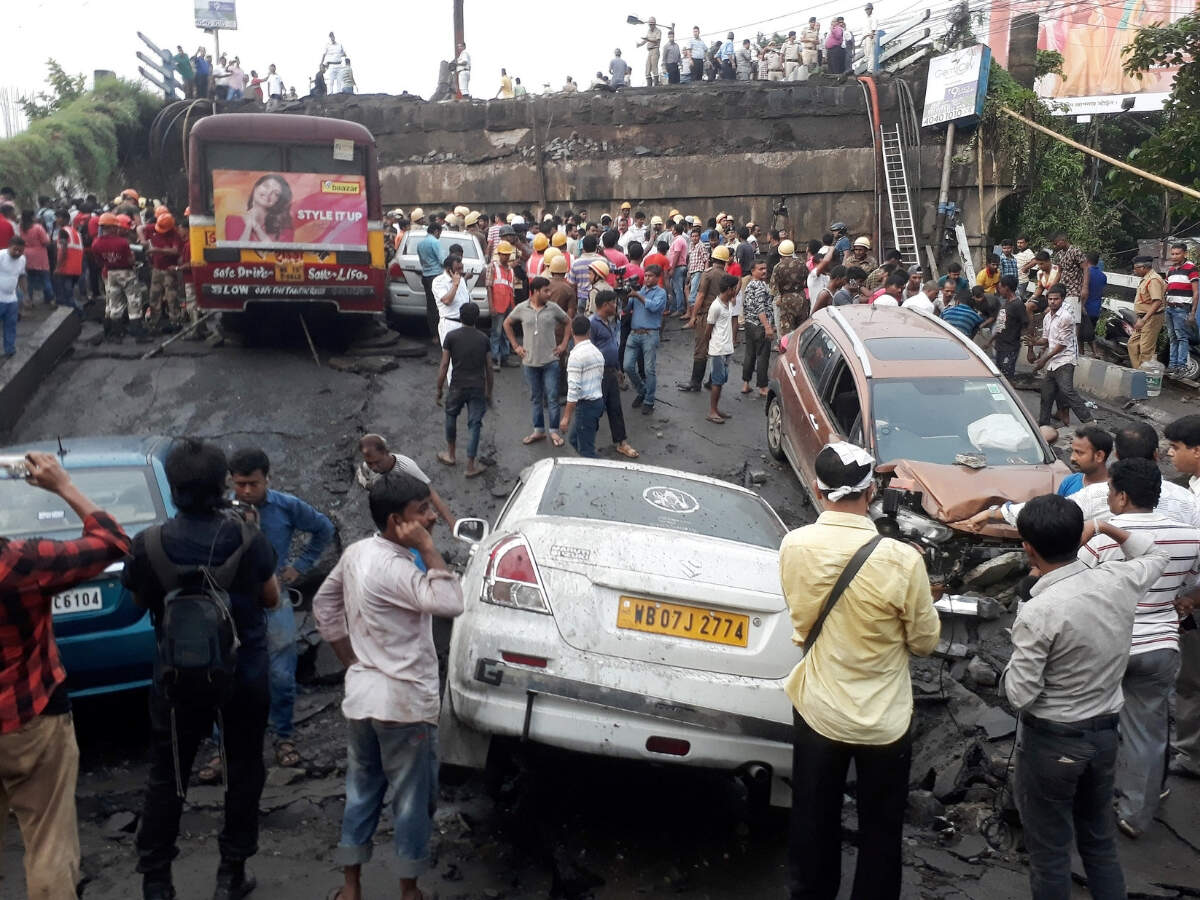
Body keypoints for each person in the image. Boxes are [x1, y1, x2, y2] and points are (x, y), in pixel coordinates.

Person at [781, 441, 940, 899]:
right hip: (884, 722)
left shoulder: (794, 545)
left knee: (813, 818)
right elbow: (925, 642)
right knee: (881, 830)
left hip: (819, 710)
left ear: (818, 488)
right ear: (871, 492)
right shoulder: (902, 560)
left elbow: (801, 614)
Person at [125, 439, 280, 900]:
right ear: (221, 485)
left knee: (167, 774)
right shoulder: (248, 538)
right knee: (245, 769)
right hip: (244, 673)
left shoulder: (149, 543)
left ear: (172, 490)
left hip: (176, 680)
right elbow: (271, 598)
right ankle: (230, 875)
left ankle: (157, 882)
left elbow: (139, 602)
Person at [1003, 494, 1172, 900]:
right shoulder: (1118, 578)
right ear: (1077, 538)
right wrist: (1106, 527)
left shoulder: (1038, 610)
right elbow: (1155, 556)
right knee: (1098, 841)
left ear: (1028, 546)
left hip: (1052, 742)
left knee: (1050, 852)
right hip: (1104, 736)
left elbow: (1020, 695)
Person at [313, 472, 464, 900]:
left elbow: (324, 605)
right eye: (424, 512)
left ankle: (350, 888)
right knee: (413, 801)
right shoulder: (399, 569)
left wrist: (351, 661)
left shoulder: (358, 553)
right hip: (405, 708)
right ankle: (409, 891)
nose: (433, 517)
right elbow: (452, 603)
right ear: (398, 520)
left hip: (362, 700)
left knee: (360, 793)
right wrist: (429, 550)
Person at [0, 452, 132, 900]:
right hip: (31, 719)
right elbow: (114, 541)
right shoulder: (21, 563)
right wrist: (63, 486)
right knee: (49, 845)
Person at [1076, 458, 1199, 838]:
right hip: (1160, 646)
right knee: (1147, 732)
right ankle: (1135, 813)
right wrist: (1187, 600)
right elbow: (1193, 584)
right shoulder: (1191, 537)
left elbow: (1075, 585)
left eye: (1111, 491)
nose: (1109, 497)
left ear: (1122, 496)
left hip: (1106, 643)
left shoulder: (1101, 537)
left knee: (1088, 723)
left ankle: (1084, 800)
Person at [227, 447, 334, 772]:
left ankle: (283, 737)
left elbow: (323, 529)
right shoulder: (221, 512)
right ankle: (224, 748)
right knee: (229, 676)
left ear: (267, 479)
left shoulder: (286, 507)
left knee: (282, 676)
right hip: (230, 604)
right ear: (231, 481)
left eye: (253, 484)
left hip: (275, 602)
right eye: (240, 484)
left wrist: (299, 567)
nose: (246, 491)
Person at [1164, 415, 1200, 784]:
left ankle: (1192, 754)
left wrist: (1191, 597)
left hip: (1195, 601)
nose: (1170, 455)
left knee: (1191, 682)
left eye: (1175, 449)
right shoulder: (1191, 485)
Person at [505, 276, 571, 447]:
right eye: (546, 291)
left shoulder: (553, 308)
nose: (549, 293)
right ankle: (539, 430)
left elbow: (568, 322)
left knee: (552, 397)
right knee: (535, 398)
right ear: (535, 292)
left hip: (550, 362)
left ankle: (554, 431)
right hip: (529, 362)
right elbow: (507, 323)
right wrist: (516, 346)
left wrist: (563, 344)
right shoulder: (522, 308)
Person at [436, 302, 493, 477]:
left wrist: (439, 388)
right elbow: (489, 368)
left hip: (457, 385)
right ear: (477, 318)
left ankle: (451, 455)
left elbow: (445, 365)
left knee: (451, 416)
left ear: (460, 317)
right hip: (477, 386)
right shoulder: (484, 339)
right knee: (474, 424)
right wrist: (489, 392)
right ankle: (470, 465)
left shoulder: (451, 337)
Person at [355, 434, 455, 526]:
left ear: (387, 452)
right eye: (370, 463)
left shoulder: (406, 466)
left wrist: (452, 524)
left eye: (377, 462)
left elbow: (431, 494)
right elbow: (363, 477)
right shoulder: (367, 467)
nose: (374, 467)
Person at [1032, 285, 1096, 429]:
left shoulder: (1066, 317)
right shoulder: (1047, 317)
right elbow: (1046, 339)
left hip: (1066, 359)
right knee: (1047, 393)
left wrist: (1044, 359)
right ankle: (1043, 425)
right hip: (1054, 361)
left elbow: (1061, 345)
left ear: (1062, 300)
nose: (1052, 302)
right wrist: (1034, 341)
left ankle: (1089, 422)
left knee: (1067, 390)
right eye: (1050, 299)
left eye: (1056, 299)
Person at [680, 245, 729, 392]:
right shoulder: (726, 276)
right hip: (721, 316)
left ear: (712, 258)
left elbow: (700, 296)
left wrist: (693, 316)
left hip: (707, 315)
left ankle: (695, 382)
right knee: (716, 348)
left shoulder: (708, 274)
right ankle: (713, 380)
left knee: (701, 347)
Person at [560, 315, 607, 457]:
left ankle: (596, 472)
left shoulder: (575, 357)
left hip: (586, 406)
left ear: (572, 331)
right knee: (574, 439)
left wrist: (566, 418)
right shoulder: (597, 352)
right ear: (589, 331)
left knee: (587, 451)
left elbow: (574, 391)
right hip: (597, 402)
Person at [624, 264, 666, 415]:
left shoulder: (661, 293)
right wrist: (624, 295)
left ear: (657, 277)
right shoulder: (639, 290)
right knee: (627, 366)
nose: (647, 278)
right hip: (634, 333)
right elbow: (626, 309)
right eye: (645, 275)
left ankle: (649, 400)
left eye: (650, 276)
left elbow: (653, 307)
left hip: (650, 334)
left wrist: (637, 296)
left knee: (649, 370)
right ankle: (642, 390)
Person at [704, 275, 739, 424]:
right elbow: (708, 329)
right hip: (718, 349)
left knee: (721, 381)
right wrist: (707, 347)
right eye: (735, 289)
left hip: (726, 349)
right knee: (717, 382)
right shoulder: (716, 306)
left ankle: (716, 409)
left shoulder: (728, 303)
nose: (736, 291)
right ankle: (712, 411)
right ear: (729, 289)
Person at [224, 174, 294, 244]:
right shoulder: (233, 221)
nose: (268, 193)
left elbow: (275, 253)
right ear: (256, 187)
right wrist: (248, 227)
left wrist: (257, 228)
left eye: (276, 193)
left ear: (278, 201)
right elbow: (236, 251)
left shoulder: (285, 229)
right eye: (266, 186)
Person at [981, 275, 1028, 378]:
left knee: (1006, 378)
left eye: (1000, 287)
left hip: (1010, 348)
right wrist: (990, 341)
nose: (999, 289)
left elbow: (1026, 325)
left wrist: (1028, 347)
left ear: (1006, 288)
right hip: (1000, 346)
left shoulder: (1018, 305)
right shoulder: (1005, 304)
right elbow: (1000, 326)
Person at [741, 260, 775, 397]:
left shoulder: (750, 285)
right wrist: (767, 327)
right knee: (762, 356)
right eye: (760, 269)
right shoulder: (760, 286)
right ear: (753, 271)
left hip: (749, 324)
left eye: (765, 268)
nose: (764, 271)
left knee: (749, 354)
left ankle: (746, 383)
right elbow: (760, 308)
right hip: (760, 326)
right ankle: (762, 386)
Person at [1165, 242, 1199, 376]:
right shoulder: (1171, 270)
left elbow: (1196, 292)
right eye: (1172, 254)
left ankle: (1182, 366)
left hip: (1181, 309)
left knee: (1181, 338)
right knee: (1172, 337)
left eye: (1177, 254)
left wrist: (1192, 313)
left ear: (1184, 254)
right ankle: (1172, 365)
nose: (1174, 256)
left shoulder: (1191, 268)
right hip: (1170, 308)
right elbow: (1166, 288)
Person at [432, 255, 471, 368]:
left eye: (461, 268)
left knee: (465, 358)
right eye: (458, 269)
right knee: (451, 361)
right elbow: (447, 300)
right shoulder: (438, 281)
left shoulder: (462, 280)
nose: (461, 271)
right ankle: (452, 384)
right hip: (450, 324)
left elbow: (466, 300)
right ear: (449, 270)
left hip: (465, 324)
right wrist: (455, 285)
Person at [146, 213, 183, 333]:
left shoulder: (175, 235)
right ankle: (154, 322)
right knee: (154, 296)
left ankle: (175, 321)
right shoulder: (154, 228)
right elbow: (140, 228)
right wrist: (143, 241)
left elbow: (175, 251)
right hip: (157, 269)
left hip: (169, 270)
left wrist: (158, 250)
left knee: (171, 297)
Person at [1129, 255, 1166, 371]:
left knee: (1146, 350)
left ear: (1143, 267)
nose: (1134, 271)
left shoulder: (1153, 280)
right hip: (1143, 318)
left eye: (1136, 268)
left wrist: (1144, 319)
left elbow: (1157, 302)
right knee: (1132, 344)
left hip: (1151, 318)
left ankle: (1144, 377)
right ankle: (1138, 371)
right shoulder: (1147, 278)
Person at [1055, 425, 1112, 498]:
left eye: (1079, 452)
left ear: (1099, 456)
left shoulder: (1114, 493)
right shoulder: (1069, 482)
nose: (1072, 458)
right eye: (1073, 451)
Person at [486, 240, 516, 369]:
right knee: (496, 333)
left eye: (508, 254)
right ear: (499, 254)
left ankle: (504, 358)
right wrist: (491, 305)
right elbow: (489, 287)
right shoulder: (492, 267)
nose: (506, 257)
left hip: (508, 305)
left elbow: (511, 289)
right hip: (497, 306)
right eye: (504, 254)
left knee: (506, 333)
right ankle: (494, 359)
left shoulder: (511, 270)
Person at [417, 222, 446, 338]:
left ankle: (433, 334)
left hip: (426, 276)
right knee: (441, 306)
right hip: (436, 276)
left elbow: (421, 261)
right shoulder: (435, 242)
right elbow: (442, 260)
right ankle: (441, 334)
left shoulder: (420, 244)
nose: (439, 236)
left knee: (430, 306)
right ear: (436, 231)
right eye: (440, 233)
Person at [18, 210, 52, 306]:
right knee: (45, 278)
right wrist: (49, 238)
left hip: (26, 255)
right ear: (32, 217)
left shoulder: (21, 227)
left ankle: (30, 300)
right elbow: (45, 242)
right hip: (39, 255)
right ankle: (50, 299)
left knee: (29, 280)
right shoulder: (38, 227)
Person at [53, 209, 84, 313]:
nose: (56, 220)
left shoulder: (63, 232)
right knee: (69, 294)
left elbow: (63, 250)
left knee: (67, 296)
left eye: (58, 217)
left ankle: (79, 313)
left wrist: (58, 267)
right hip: (76, 269)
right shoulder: (75, 232)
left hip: (65, 268)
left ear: (66, 219)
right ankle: (77, 313)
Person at [0, 237, 26, 357]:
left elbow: (21, 276)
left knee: (11, 326)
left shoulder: (22, 259)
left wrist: (24, 295)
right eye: (15, 250)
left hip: (12, 300)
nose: (17, 253)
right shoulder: (1, 256)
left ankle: (10, 350)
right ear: (9, 246)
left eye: (20, 251)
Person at [638, 17, 662, 86]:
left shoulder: (658, 31)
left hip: (655, 50)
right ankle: (649, 86)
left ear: (654, 24)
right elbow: (646, 39)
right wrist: (640, 44)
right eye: (650, 24)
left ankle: (656, 85)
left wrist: (648, 39)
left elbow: (657, 41)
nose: (651, 26)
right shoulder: (648, 31)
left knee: (654, 68)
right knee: (647, 68)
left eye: (652, 24)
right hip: (649, 51)